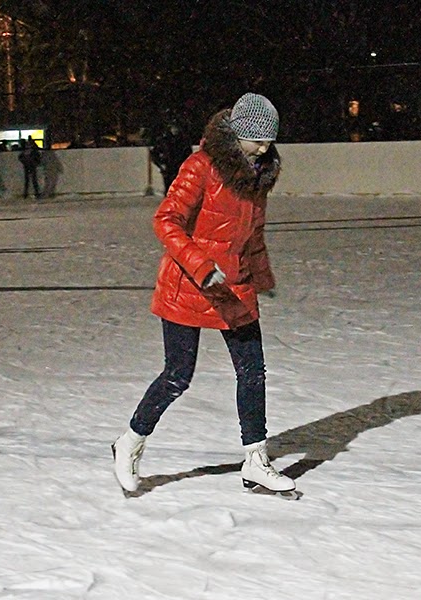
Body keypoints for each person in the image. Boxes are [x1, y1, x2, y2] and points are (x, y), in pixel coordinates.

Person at [112, 93, 295, 497]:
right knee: (178, 376)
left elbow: (253, 235)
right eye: (258, 141)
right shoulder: (201, 166)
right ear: (239, 135)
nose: (265, 149)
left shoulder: (260, 174)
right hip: (188, 285)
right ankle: (129, 444)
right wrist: (200, 265)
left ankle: (255, 461)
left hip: (235, 284)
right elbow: (166, 220)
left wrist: (261, 277)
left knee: (253, 371)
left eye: (270, 141)